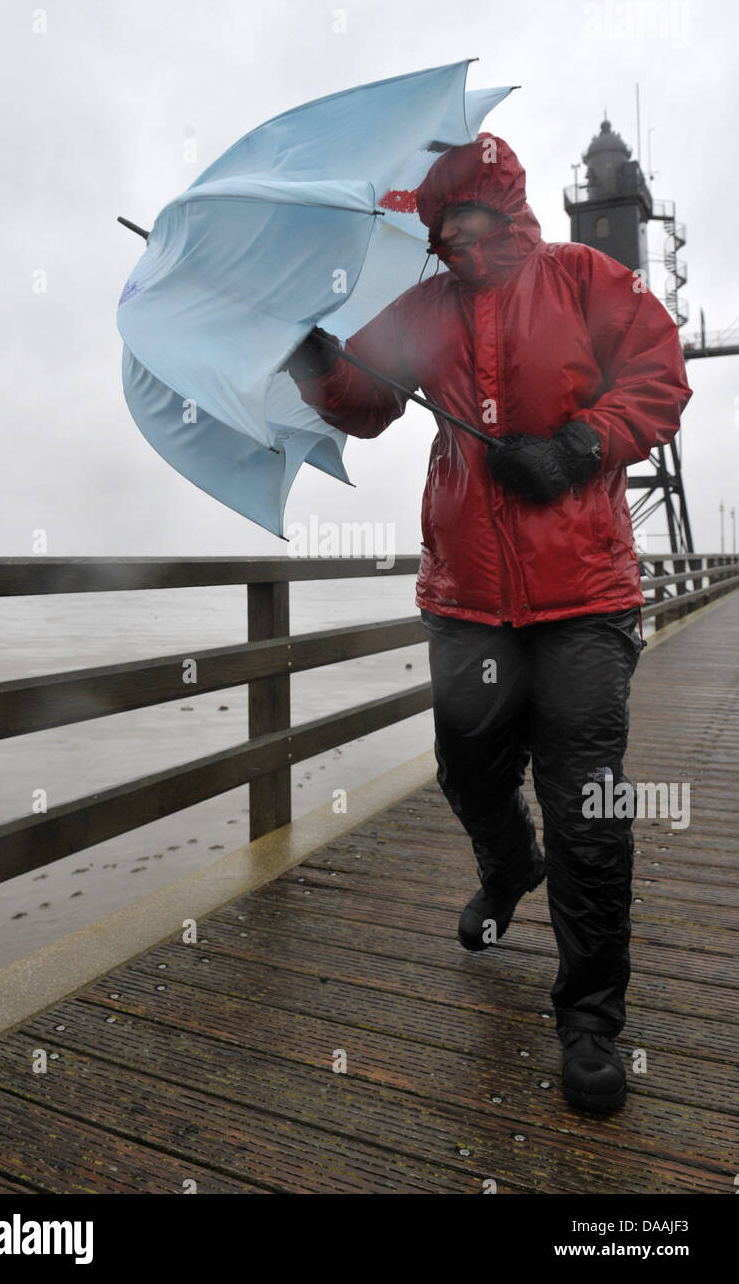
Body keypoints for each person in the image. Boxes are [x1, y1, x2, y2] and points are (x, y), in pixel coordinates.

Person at [284, 134, 693, 1114]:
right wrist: (311, 357)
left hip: (585, 598)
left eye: (467, 214)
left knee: (587, 806)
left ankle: (589, 1020)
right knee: (466, 770)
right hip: (465, 600)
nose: (453, 233)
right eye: (440, 221)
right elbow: (365, 398)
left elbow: (660, 373)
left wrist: (576, 446)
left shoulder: (585, 277)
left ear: (505, 208)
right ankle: (506, 862)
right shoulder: (423, 310)